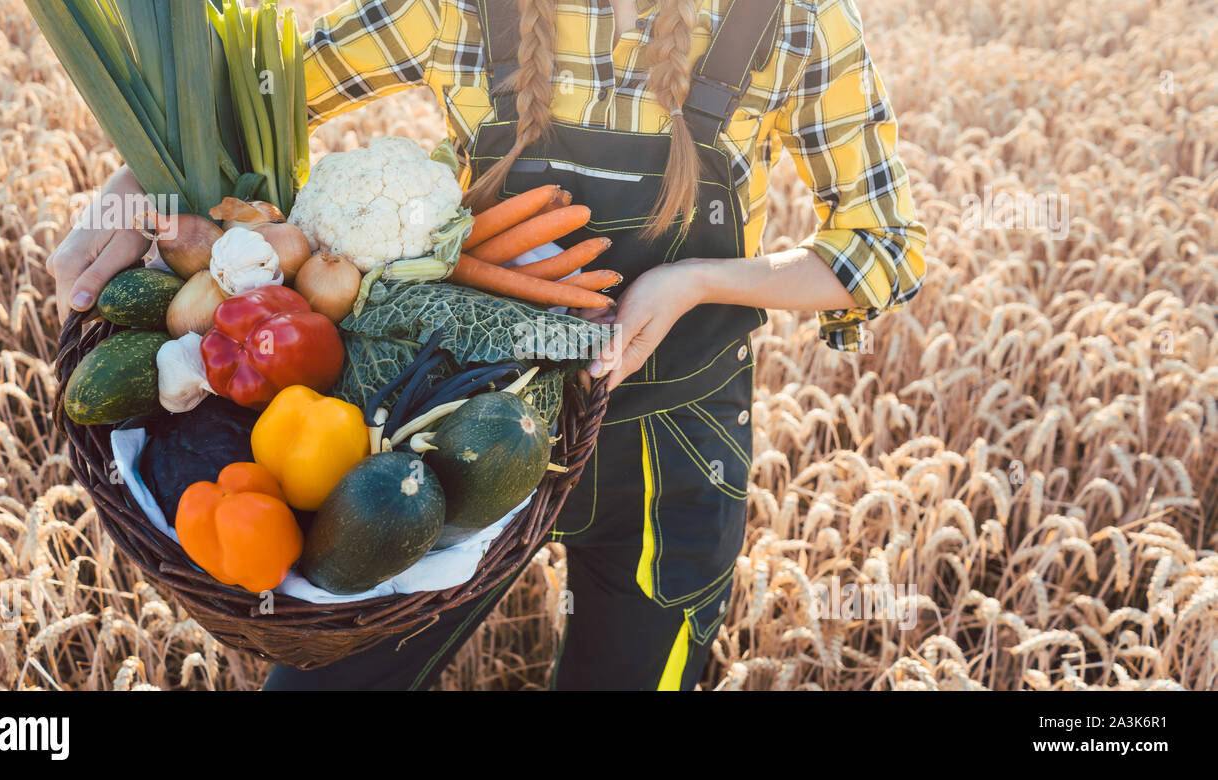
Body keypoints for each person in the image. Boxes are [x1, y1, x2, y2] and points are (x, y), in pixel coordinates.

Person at [48, 0, 926, 690]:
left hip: (672, 452)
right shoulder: (458, 5)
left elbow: (885, 246)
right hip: (447, 422)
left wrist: (694, 279)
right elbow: (250, 102)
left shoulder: (790, 16)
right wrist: (147, 183)